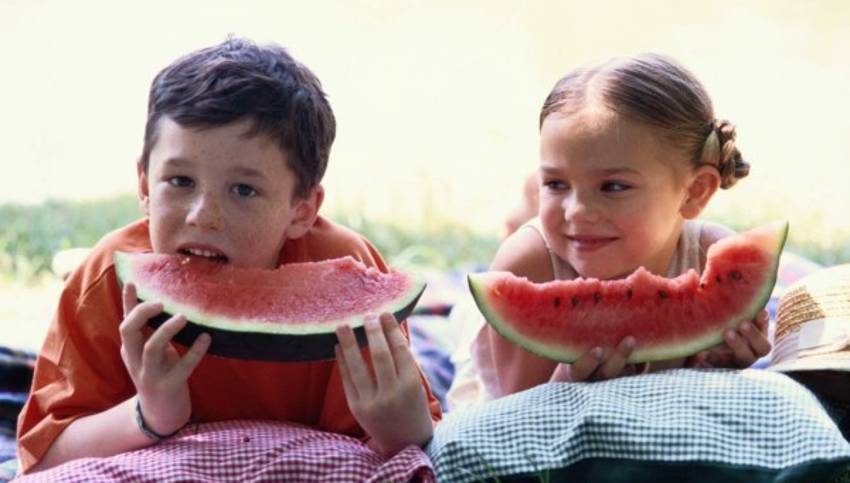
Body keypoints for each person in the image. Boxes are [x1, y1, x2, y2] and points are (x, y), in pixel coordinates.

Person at [16, 36, 441, 474]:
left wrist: (406, 431)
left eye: (244, 190)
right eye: (180, 181)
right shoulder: (107, 280)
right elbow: (42, 460)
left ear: (302, 210)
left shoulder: (346, 275)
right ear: (144, 186)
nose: (204, 216)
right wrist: (150, 414)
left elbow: (398, 448)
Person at [466, 53, 772, 400]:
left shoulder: (710, 257)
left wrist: (721, 362)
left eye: (612, 187)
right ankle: (522, 213)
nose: (577, 211)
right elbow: (511, 408)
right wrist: (567, 382)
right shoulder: (526, 264)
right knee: (476, 299)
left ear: (694, 191)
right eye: (555, 183)